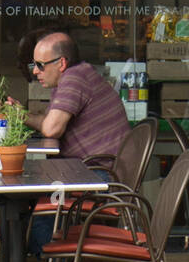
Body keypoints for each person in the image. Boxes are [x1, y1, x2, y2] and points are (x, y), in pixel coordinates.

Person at [23, 31, 130, 163]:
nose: (35, 71)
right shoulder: (76, 75)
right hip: (93, 166)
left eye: (40, 65)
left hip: (99, 172)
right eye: (34, 65)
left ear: (61, 63)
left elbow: (51, 129)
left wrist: (19, 115)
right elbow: (48, 122)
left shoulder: (74, 78)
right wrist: (19, 113)